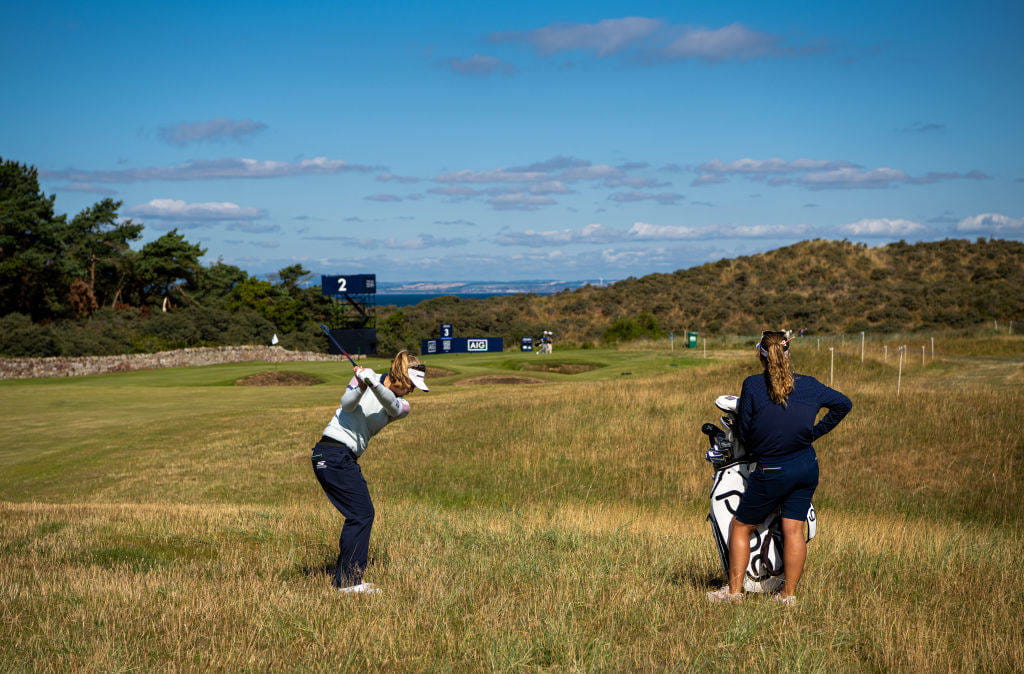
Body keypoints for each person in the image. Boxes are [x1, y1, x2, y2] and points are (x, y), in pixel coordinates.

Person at [708, 330, 851, 605]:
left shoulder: (752, 385)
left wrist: (761, 438)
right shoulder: (809, 385)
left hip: (773, 469)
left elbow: (747, 431)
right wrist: (814, 432)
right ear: (788, 353)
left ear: (760, 354)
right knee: (793, 529)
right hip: (807, 466)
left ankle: (734, 593)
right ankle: (787, 596)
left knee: (740, 526)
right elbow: (843, 404)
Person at [311, 350, 429, 594]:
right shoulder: (367, 378)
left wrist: (372, 383)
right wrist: (361, 386)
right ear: (402, 376)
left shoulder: (402, 406)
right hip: (332, 454)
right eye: (412, 384)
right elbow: (347, 404)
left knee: (360, 514)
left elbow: (390, 403)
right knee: (361, 514)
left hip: (342, 457)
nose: (413, 391)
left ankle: (347, 578)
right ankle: (349, 582)